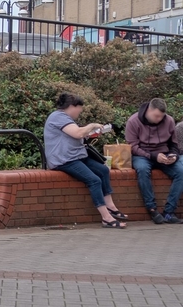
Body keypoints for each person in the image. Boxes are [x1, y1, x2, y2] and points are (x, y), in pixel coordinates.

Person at [44, 93, 128, 228]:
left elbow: (76, 136)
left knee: (103, 170)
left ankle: (111, 206)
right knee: (94, 180)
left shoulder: (65, 118)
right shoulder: (57, 117)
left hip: (77, 156)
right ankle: (106, 218)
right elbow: (77, 133)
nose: (81, 111)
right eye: (79, 108)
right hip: (64, 160)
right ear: (72, 106)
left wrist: (90, 134)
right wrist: (92, 125)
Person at [125, 97, 183, 223]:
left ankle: (169, 212)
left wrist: (173, 155)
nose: (159, 119)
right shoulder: (133, 121)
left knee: (181, 171)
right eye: (156, 116)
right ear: (149, 110)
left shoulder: (169, 121)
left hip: (164, 154)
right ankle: (152, 208)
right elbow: (133, 147)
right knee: (142, 169)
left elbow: (174, 144)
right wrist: (153, 156)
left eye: (162, 116)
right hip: (142, 155)